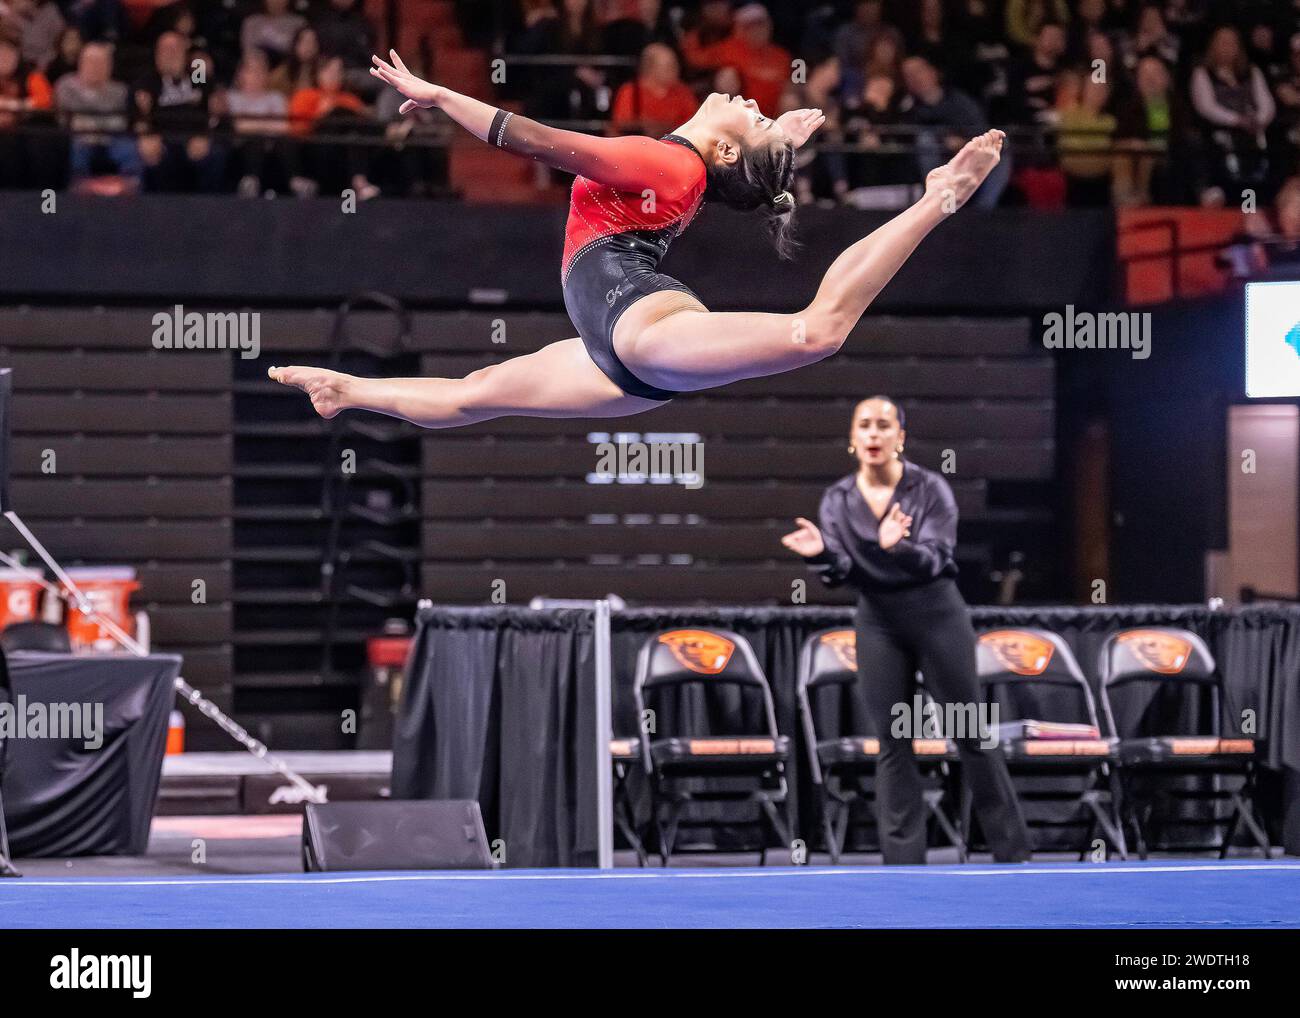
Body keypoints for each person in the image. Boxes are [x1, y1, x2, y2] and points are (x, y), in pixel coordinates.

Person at [270, 49, 1005, 429]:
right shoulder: (690, 169)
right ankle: (347, 391)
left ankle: (936, 198)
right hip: (619, 352)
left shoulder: (671, 162)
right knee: (474, 396)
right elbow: (737, 175)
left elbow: (539, 141)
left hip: (640, 330)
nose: (750, 99)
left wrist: (441, 97)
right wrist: (774, 138)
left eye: (750, 114)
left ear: (723, 153)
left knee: (817, 331)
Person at [780, 396, 1033, 864]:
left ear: (900, 437)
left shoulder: (929, 489)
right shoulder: (838, 499)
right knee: (894, 740)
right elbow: (842, 572)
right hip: (878, 620)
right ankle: (903, 864)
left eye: (883, 425)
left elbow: (939, 557)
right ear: (853, 440)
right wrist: (819, 556)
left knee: (969, 732)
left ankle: (1012, 853)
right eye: (864, 426)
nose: (874, 434)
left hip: (937, 613)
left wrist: (899, 549)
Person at [609, 42, 698, 138]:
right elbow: (622, 125)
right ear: (650, 68)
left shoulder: (683, 92)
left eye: (675, 65)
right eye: (668, 67)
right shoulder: (631, 91)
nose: (675, 70)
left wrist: (662, 128)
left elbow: (693, 124)